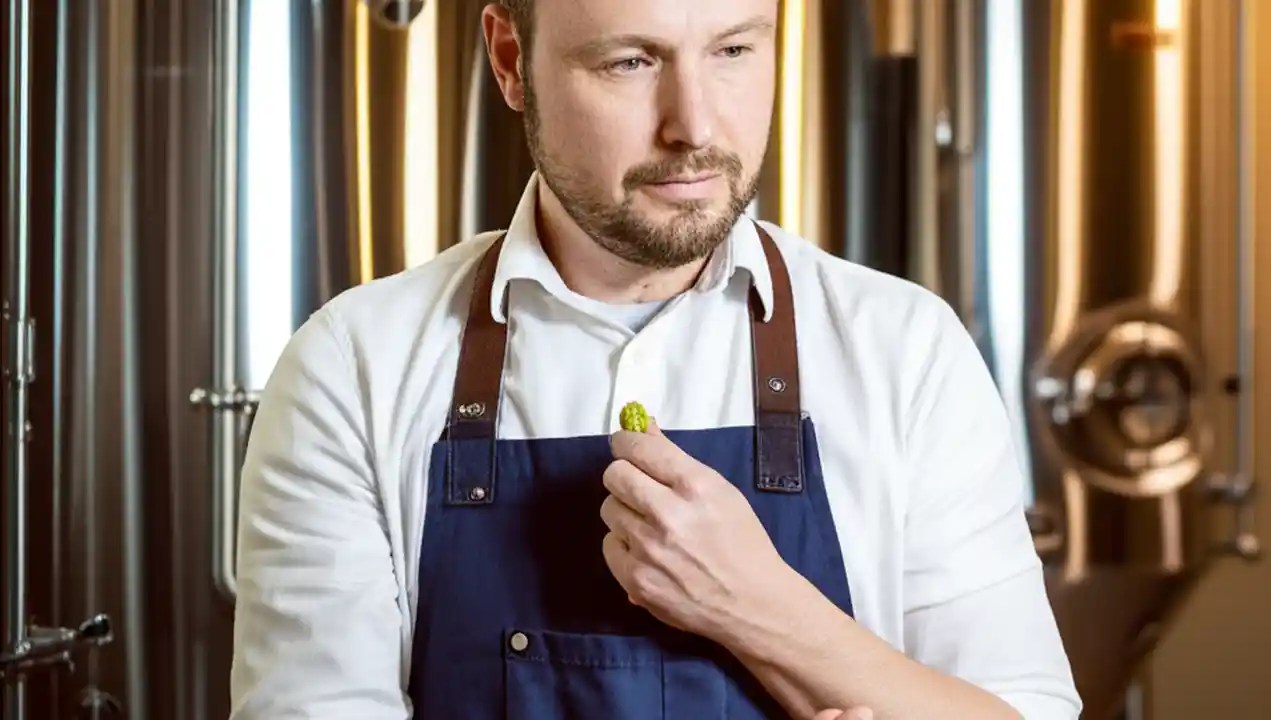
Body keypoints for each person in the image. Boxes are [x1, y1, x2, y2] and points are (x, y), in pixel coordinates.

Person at [228, 0, 1083, 718]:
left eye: (734, 50)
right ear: (510, 58)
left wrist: (763, 608)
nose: (696, 126)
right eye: (631, 61)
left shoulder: (906, 353)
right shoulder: (352, 370)